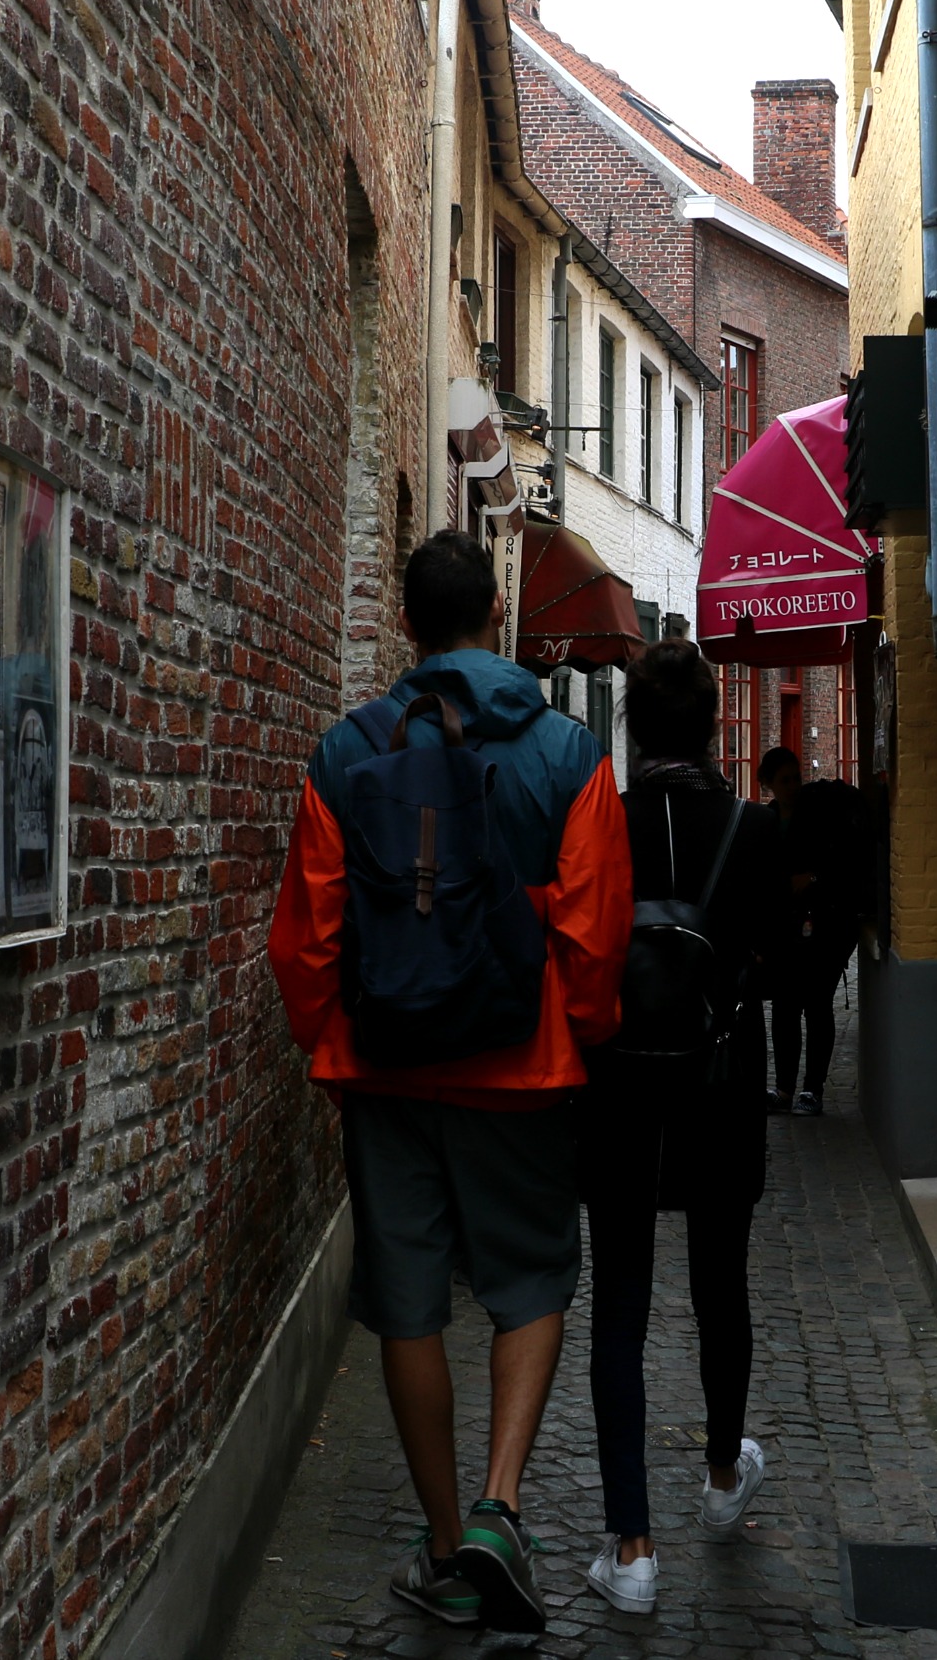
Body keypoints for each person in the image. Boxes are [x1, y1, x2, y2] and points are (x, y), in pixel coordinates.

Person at [266, 531, 631, 1633]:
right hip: (524, 1072)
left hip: (385, 1067)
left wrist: (335, 1054)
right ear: (499, 611)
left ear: (408, 624)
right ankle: (499, 1505)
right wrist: (577, 1042)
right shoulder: (570, 753)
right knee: (528, 1283)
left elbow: (304, 941)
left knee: (409, 1305)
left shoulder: (345, 754)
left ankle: (440, 1547)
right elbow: (596, 937)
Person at [579, 639, 782, 1616]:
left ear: (632, 725)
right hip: (719, 1084)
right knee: (720, 1285)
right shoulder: (747, 826)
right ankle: (718, 1471)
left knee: (618, 1300)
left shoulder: (605, 825)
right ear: (710, 724)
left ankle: (631, 1545)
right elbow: (777, 961)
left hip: (619, 1089)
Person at [759, 746, 870, 1113]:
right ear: (768, 784)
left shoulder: (819, 815)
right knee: (785, 1007)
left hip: (823, 924)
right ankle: (785, 1088)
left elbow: (842, 862)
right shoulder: (768, 822)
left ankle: (813, 1089)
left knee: (818, 1005)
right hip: (784, 928)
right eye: (784, 780)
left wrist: (815, 879)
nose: (793, 786)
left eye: (795, 778)